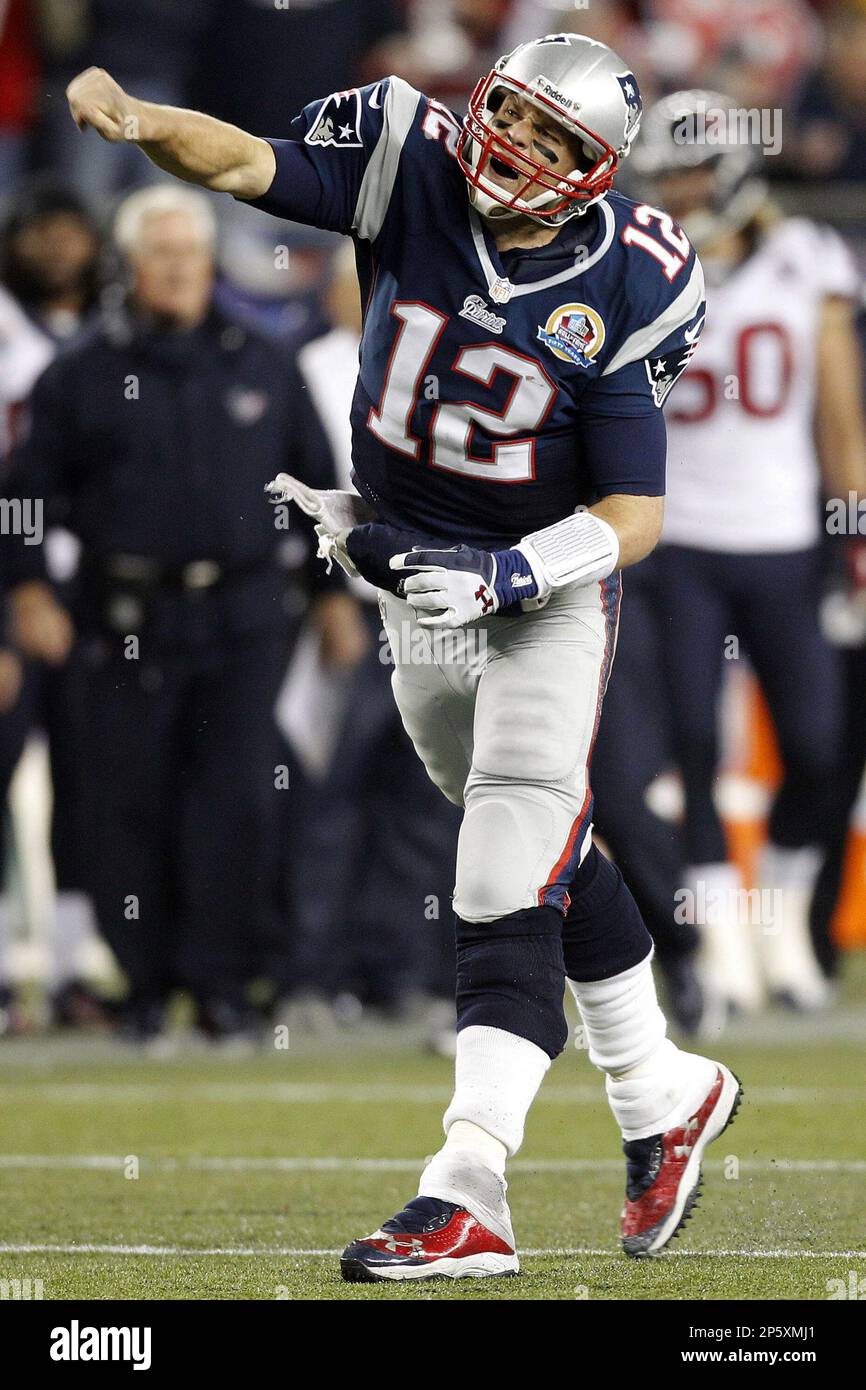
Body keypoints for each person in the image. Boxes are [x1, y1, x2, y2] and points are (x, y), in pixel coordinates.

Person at [65, 31, 741, 1278]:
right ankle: (660, 1089)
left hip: (540, 584)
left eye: (552, 140)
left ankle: (467, 1183)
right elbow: (246, 163)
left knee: (502, 850)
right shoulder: (409, 156)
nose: (517, 150)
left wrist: (510, 572)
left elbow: (632, 515)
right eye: (514, 117)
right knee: (541, 840)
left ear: (590, 170)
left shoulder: (629, 278)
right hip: (407, 571)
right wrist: (139, 114)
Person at [2, 184, 348, 1043]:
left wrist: (335, 592)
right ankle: (145, 982)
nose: (178, 271)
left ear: (209, 264)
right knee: (130, 801)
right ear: (130, 266)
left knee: (234, 798)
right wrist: (28, 586)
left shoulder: (264, 360)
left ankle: (223, 985)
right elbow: (20, 497)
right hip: (122, 616)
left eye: (190, 255)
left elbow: (319, 489)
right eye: (160, 256)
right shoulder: (80, 370)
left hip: (243, 613)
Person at [632, 90, 866, 1016]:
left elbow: (838, 415)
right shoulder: (644, 266)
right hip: (676, 539)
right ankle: (719, 937)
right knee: (688, 746)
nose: (674, 190)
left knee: (815, 745)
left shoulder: (807, 257)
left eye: (689, 172)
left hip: (783, 537)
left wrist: (855, 528)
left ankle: (782, 911)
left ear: (729, 174)